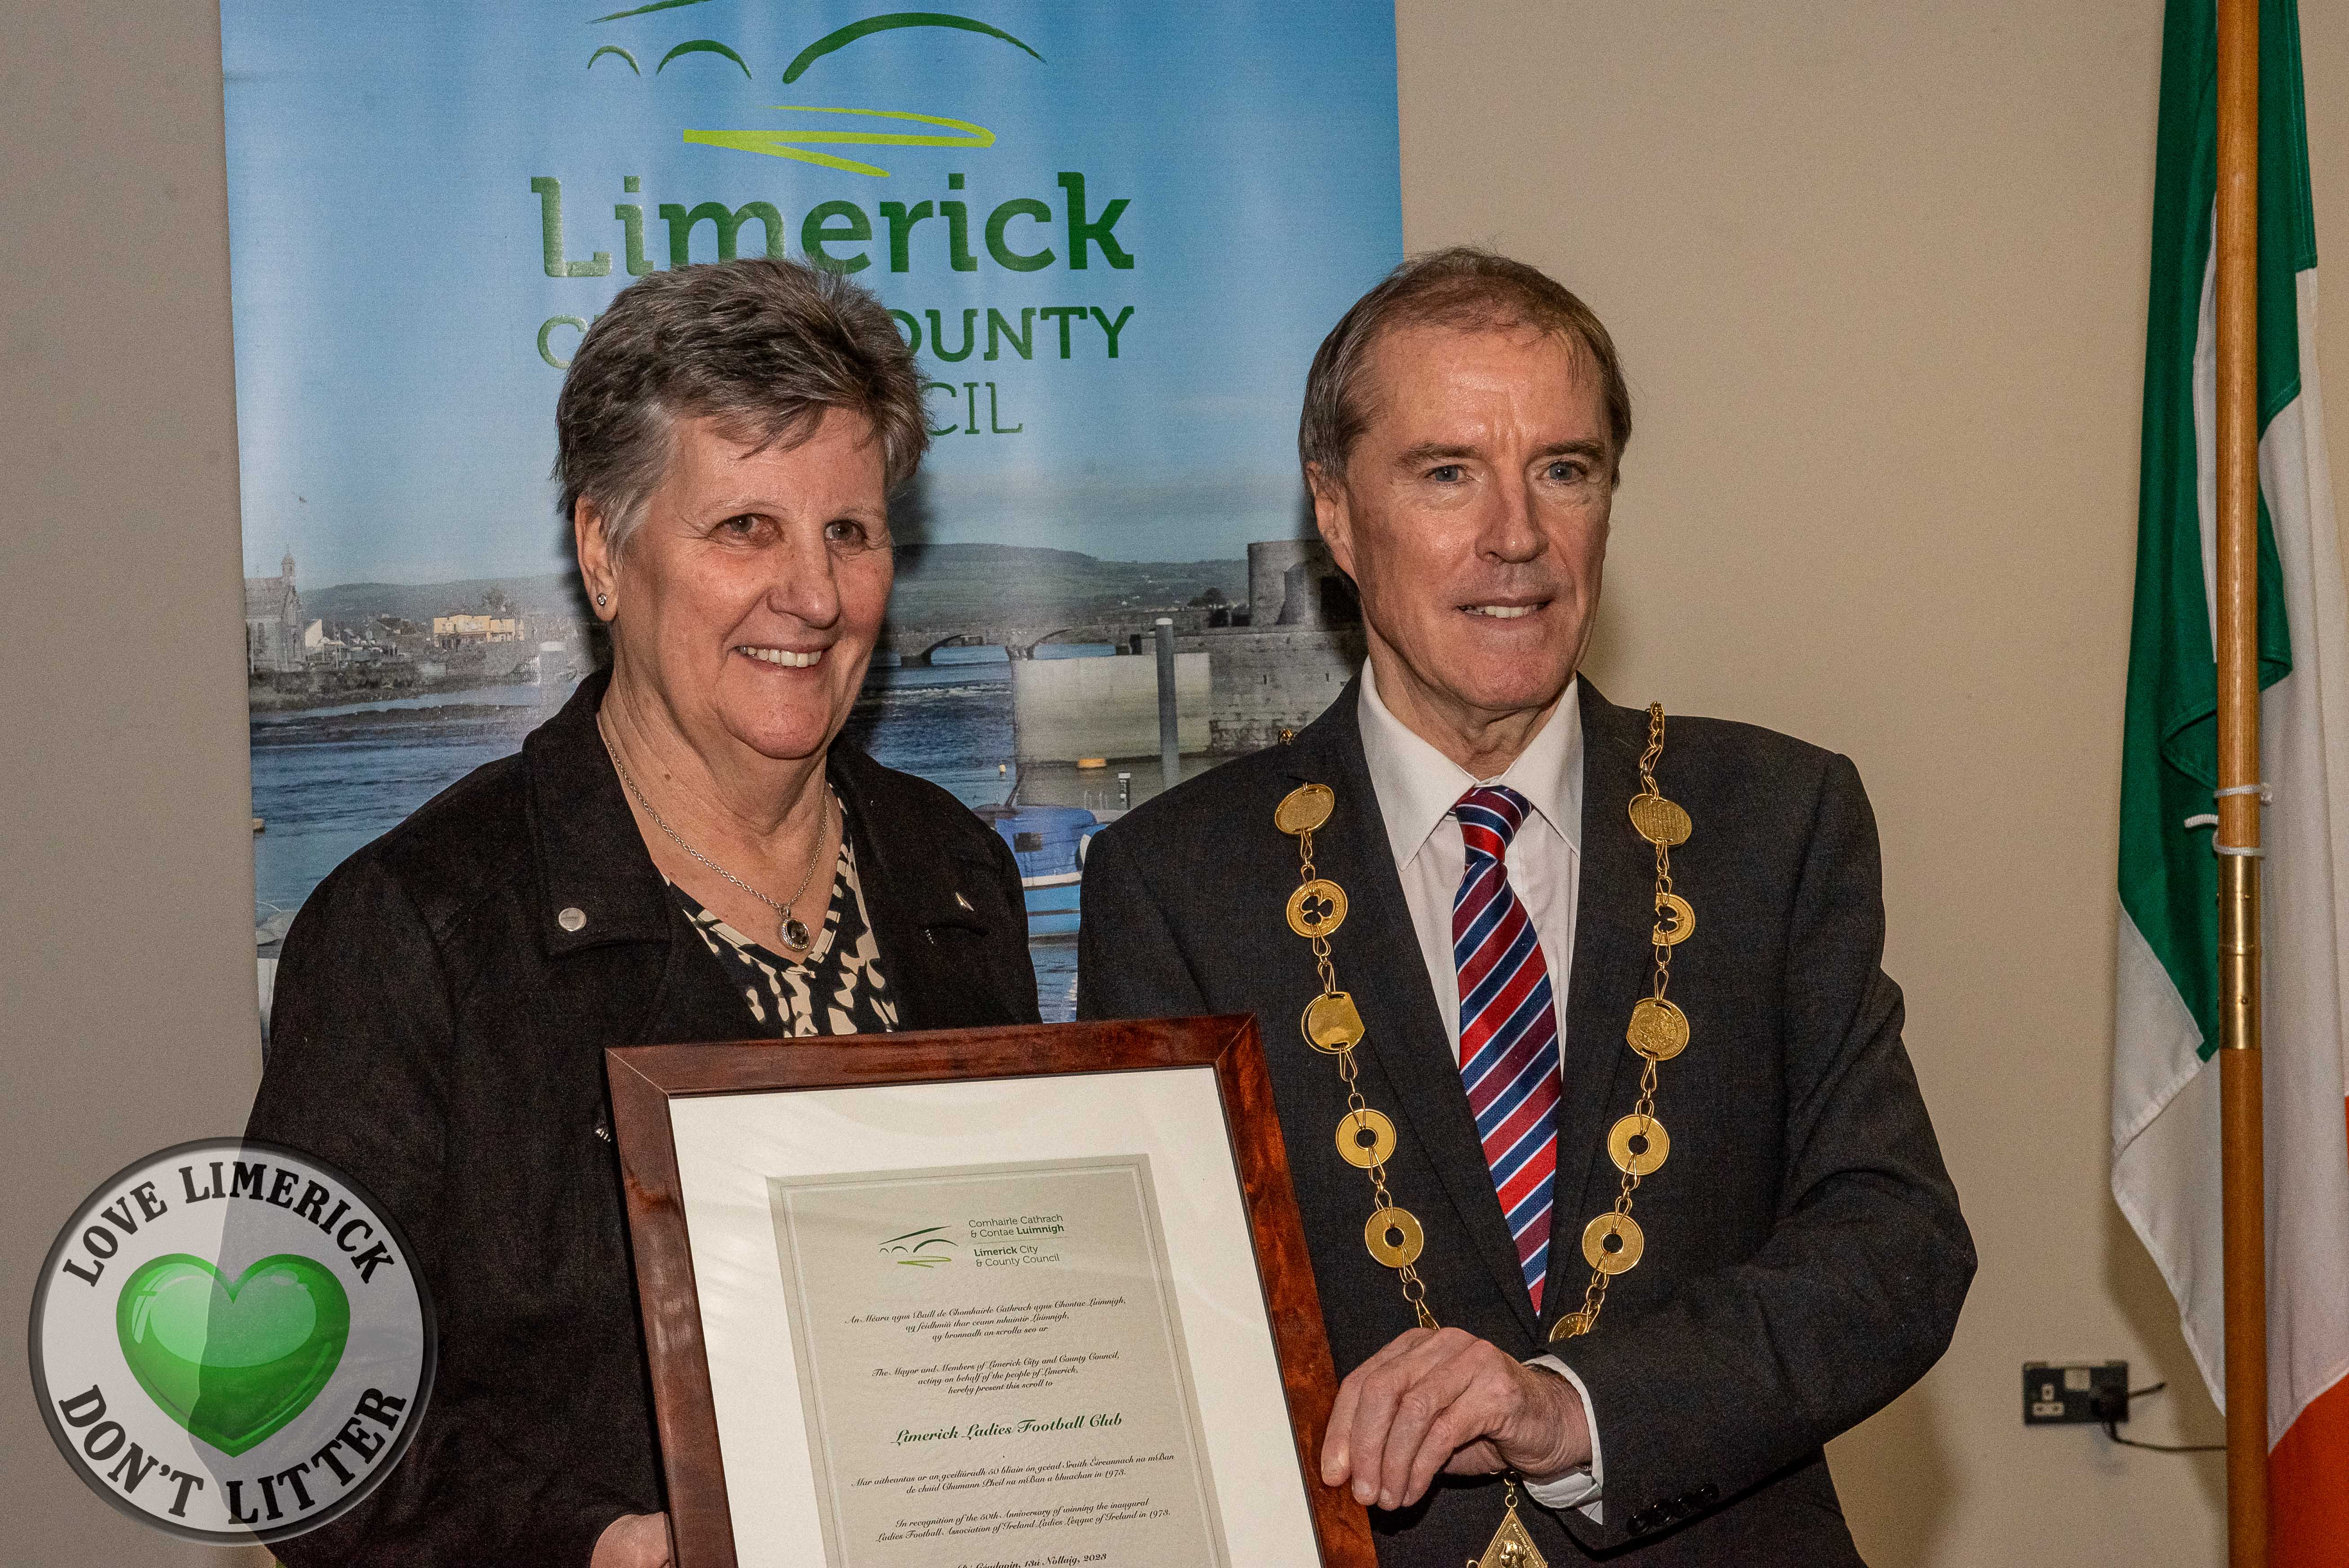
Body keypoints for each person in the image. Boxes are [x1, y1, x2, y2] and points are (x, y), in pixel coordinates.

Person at [1077, 249, 1973, 1564]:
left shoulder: (1773, 821)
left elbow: (1892, 1245)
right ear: (1335, 512)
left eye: (1564, 468)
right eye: (1446, 473)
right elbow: (1143, 1325)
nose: (1516, 534)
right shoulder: (1176, 877)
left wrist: (1574, 1408)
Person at [247, 257, 1040, 1568]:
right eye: (744, 528)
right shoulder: (418, 926)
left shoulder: (954, 875)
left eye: (850, 530)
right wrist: (587, 1546)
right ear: (604, 553)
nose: (815, 595)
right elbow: (293, 1413)